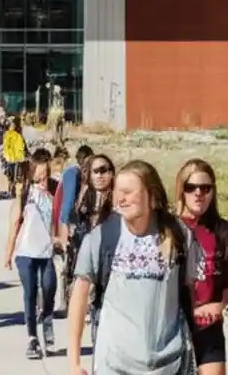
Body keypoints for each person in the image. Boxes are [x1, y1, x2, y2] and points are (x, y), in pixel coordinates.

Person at [68, 160, 203, 375]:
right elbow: (79, 298)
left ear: (152, 196)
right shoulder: (101, 238)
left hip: (169, 365)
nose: (121, 198)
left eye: (128, 192)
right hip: (114, 365)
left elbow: (192, 296)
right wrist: (74, 362)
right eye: (118, 191)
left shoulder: (180, 235)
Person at [175, 159, 228, 375]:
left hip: (208, 329)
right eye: (191, 187)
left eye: (205, 188)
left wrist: (219, 305)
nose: (198, 193)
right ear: (181, 191)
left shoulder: (223, 231)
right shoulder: (170, 229)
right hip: (172, 328)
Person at [4, 147, 60, 359]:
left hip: (46, 252)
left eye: (45, 172)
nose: (42, 177)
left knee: (48, 288)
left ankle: (46, 322)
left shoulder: (56, 190)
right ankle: (32, 339)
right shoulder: (25, 192)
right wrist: (8, 253)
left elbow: (62, 218)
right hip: (25, 251)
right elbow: (14, 223)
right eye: (39, 172)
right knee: (29, 292)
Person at [61, 152, 115, 335]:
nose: (99, 175)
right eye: (95, 172)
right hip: (89, 270)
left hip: (112, 270)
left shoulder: (119, 202)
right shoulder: (84, 200)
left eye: (104, 171)